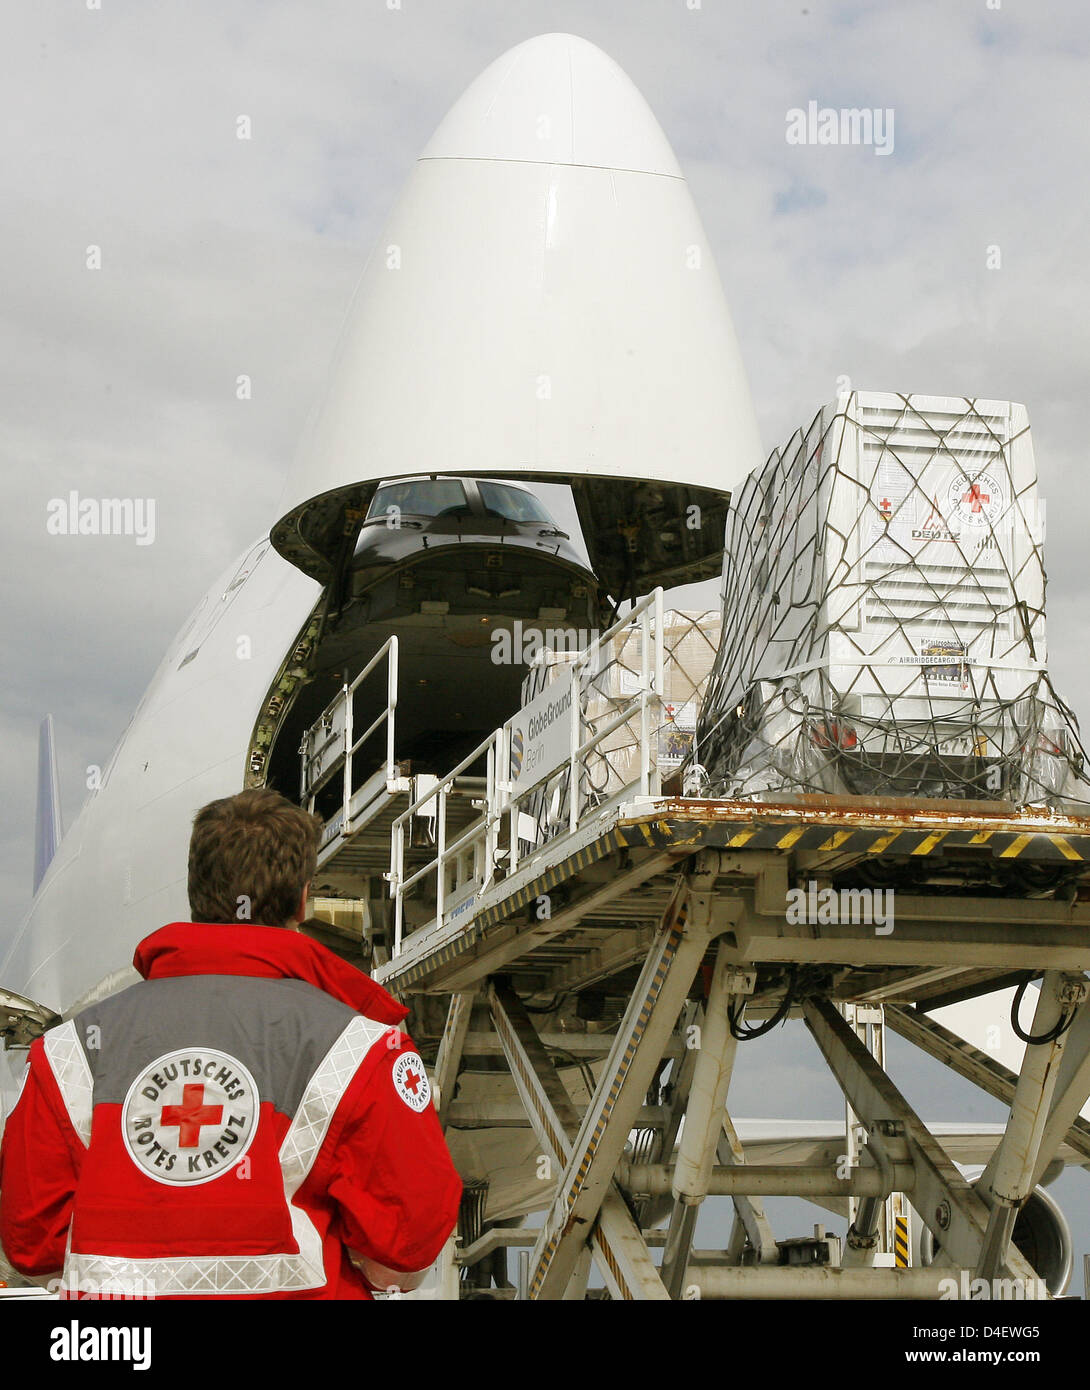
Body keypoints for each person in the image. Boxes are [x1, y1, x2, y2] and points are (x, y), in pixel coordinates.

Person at [0, 788, 462, 1300]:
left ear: (197, 892)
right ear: (303, 897)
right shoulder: (362, 1049)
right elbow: (404, 1253)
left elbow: (34, 1248)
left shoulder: (70, 1052)